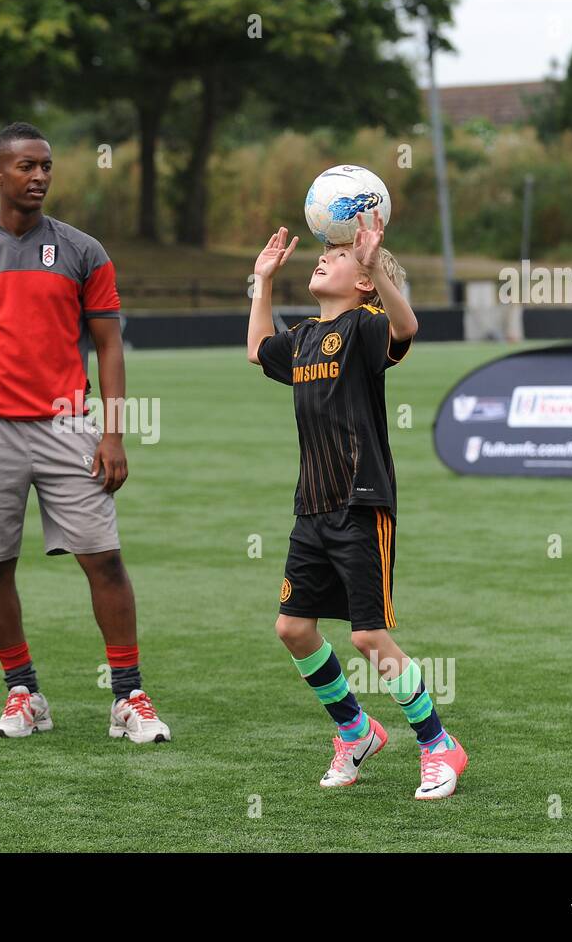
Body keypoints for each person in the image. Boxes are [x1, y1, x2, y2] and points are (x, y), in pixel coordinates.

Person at [0, 122, 169, 743]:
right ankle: (22, 693)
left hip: (67, 425)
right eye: (26, 166)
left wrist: (112, 434)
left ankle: (127, 696)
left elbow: (109, 347)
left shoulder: (85, 251)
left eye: (47, 167)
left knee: (104, 560)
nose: (39, 177)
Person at [246, 213, 468, 799]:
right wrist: (263, 281)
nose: (323, 257)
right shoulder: (301, 339)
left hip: (360, 504)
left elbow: (407, 324)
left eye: (338, 255)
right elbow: (257, 351)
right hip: (311, 508)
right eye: (324, 252)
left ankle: (438, 744)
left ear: (364, 279)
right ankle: (355, 730)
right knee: (293, 628)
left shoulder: (368, 325)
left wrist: (376, 267)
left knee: (369, 639)